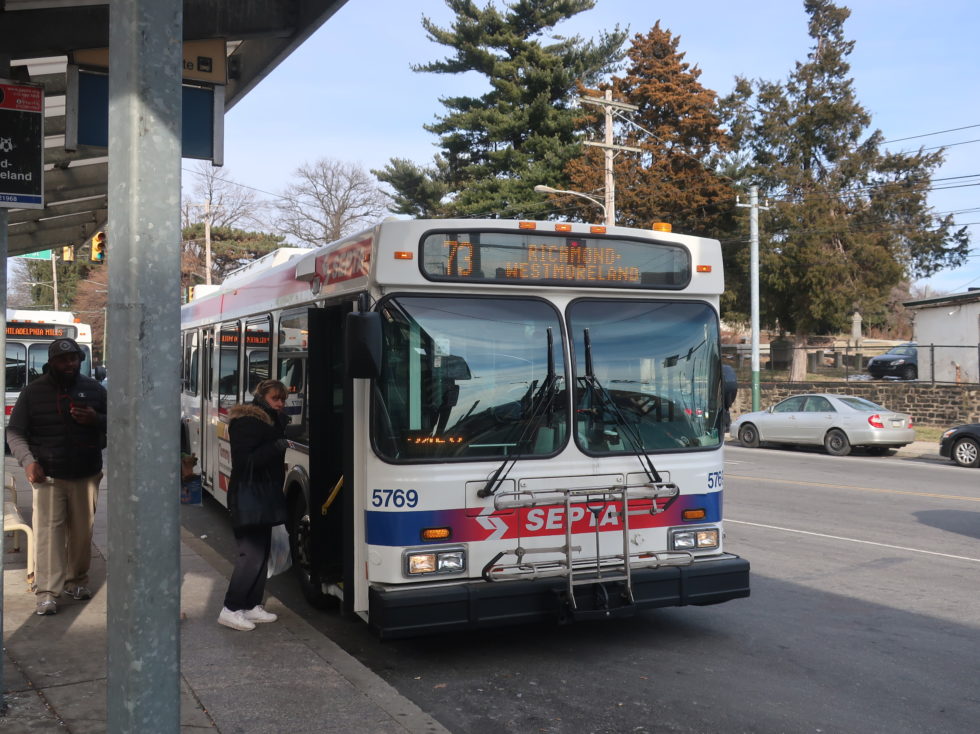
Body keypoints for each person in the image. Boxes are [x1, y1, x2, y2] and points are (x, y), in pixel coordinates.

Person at [7, 337, 107, 616]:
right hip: (48, 475)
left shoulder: (95, 390)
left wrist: (95, 420)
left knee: (81, 533)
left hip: (86, 474)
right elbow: (14, 431)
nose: (70, 363)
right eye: (63, 359)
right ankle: (48, 592)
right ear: (51, 363)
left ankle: (77, 580)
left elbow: (120, 423)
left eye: (74, 358)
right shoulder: (32, 392)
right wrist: (28, 462)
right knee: (49, 534)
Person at [218, 378, 290, 631]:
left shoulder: (271, 421)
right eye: (276, 398)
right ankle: (231, 608)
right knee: (250, 554)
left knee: (262, 553)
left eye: (283, 399)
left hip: (262, 495)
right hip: (248, 496)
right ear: (261, 398)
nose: (281, 403)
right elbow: (245, 462)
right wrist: (275, 446)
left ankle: (251, 605)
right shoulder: (247, 422)